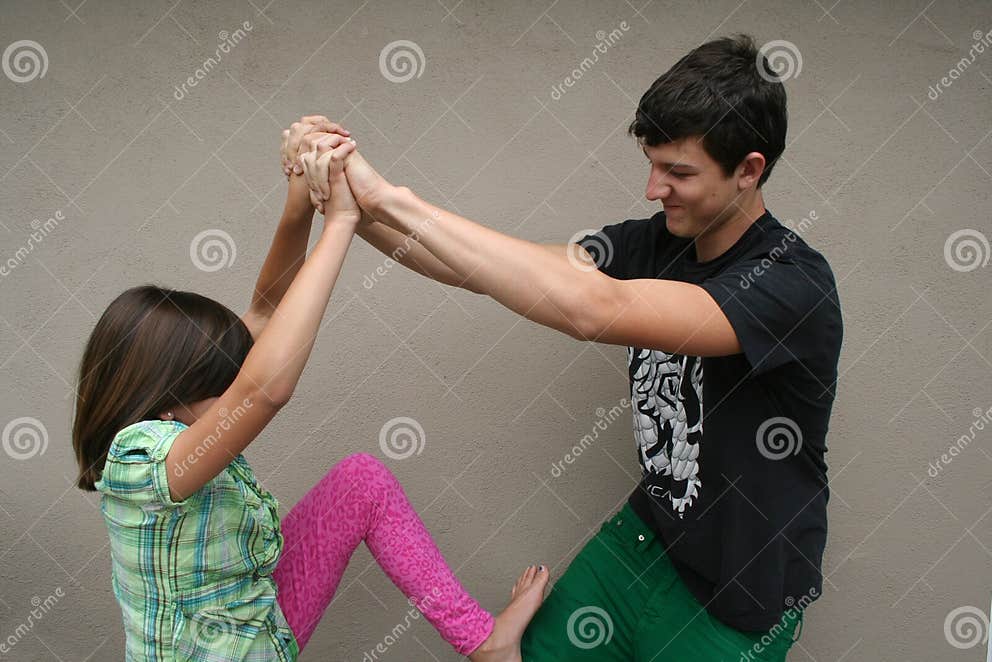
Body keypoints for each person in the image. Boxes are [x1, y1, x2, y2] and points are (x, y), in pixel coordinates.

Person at [286, 33, 843, 661]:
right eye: (652, 163)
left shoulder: (791, 282)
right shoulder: (654, 243)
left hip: (741, 598)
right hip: (646, 539)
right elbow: (481, 270)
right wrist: (346, 201)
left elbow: (590, 309)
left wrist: (390, 196)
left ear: (749, 169)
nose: (653, 189)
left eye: (678, 172)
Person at [72, 127, 549, 661]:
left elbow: (270, 312)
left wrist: (302, 192)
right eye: (220, 379)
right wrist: (341, 223)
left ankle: (484, 644)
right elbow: (265, 390)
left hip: (257, 632)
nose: (234, 382)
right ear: (168, 391)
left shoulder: (177, 422)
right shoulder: (138, 459)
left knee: (359, 483)